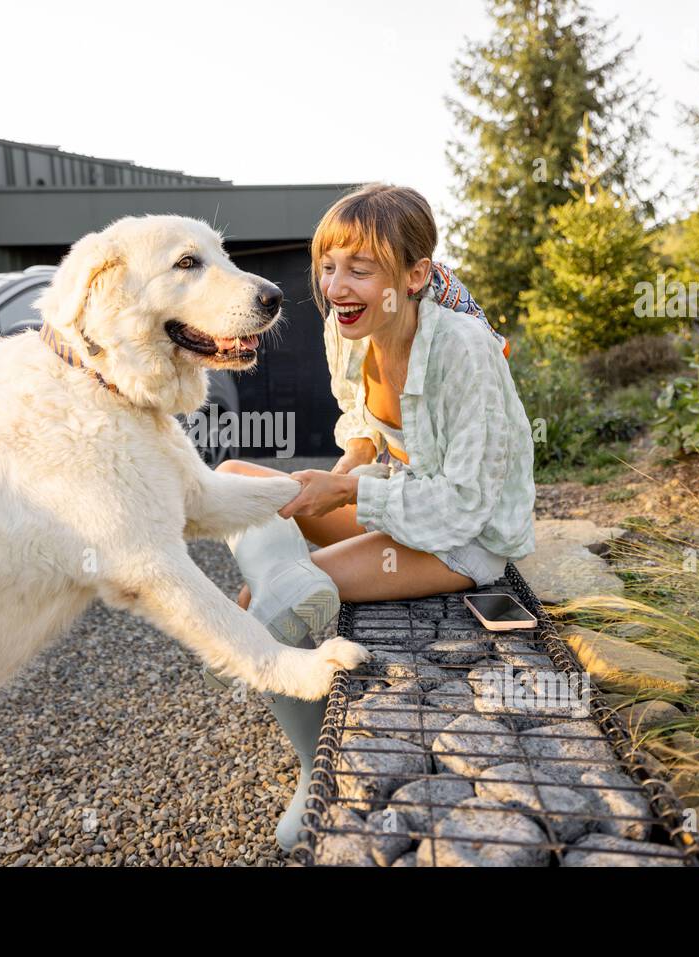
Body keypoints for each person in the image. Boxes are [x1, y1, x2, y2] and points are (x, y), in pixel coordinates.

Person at [206, 182, 536, 851]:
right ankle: (283, 588)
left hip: (460, 538)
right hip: (398, 501)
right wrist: (333, 479)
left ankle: (314, 772)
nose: (336, 286)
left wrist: (341, 496)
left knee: (278, 605)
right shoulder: (346, 331)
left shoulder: (461, 351)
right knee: (234, 479)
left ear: (414, 276)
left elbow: (462, 506)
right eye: (329, 266)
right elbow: (363, 430)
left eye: (360, 269)